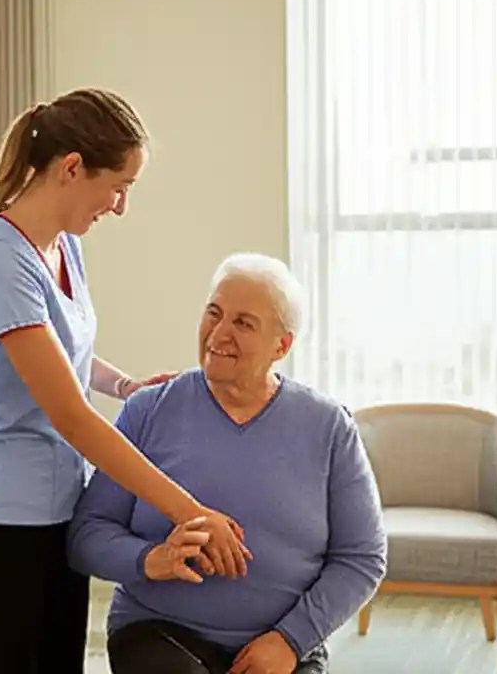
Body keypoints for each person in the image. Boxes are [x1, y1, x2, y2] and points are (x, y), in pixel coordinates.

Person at [0, 88, 252, 674]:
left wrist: (126, 385)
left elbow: (62, 348)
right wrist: (190, 511)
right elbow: (71, 415)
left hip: (56, 513)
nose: (120, 205)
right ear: (72, 168)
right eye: (119, 186)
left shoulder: (65, 248)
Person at [67, 253, 388, 674]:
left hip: (281, 645)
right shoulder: (149, 410)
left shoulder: (328, 426)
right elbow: (86, 537)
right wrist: (154, 558)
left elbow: (362, 557)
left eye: (243, 323)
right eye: (213, 314)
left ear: (282, 345)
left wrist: (290, 641)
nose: (219, 333)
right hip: (158, 633)